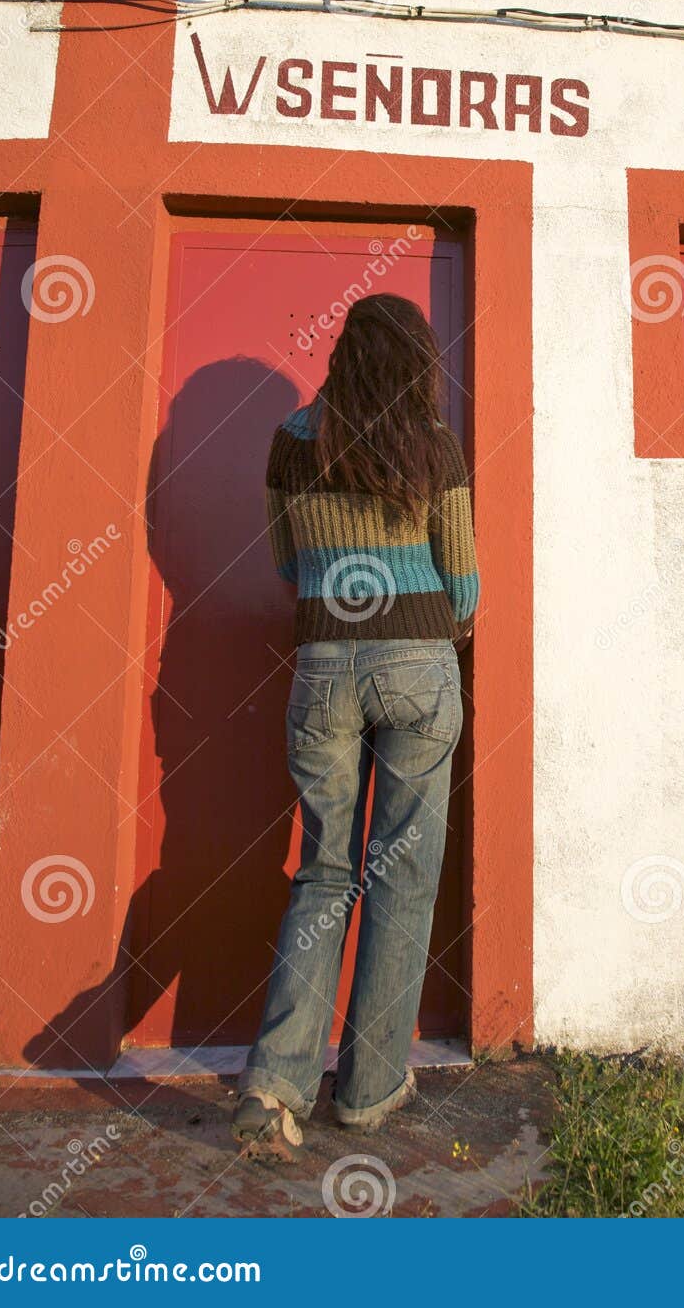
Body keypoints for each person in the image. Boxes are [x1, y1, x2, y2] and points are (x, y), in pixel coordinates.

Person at [231, 292, 478, 1161]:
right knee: (403, 877)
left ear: (344, 355)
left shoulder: (293, 440)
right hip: (417, 666)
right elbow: (465, 583)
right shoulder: (435, 445)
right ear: (416, 361)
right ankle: (369, 1091)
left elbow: (285, 560)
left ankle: (274, 1087)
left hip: (325, 666)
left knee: (323, 873)